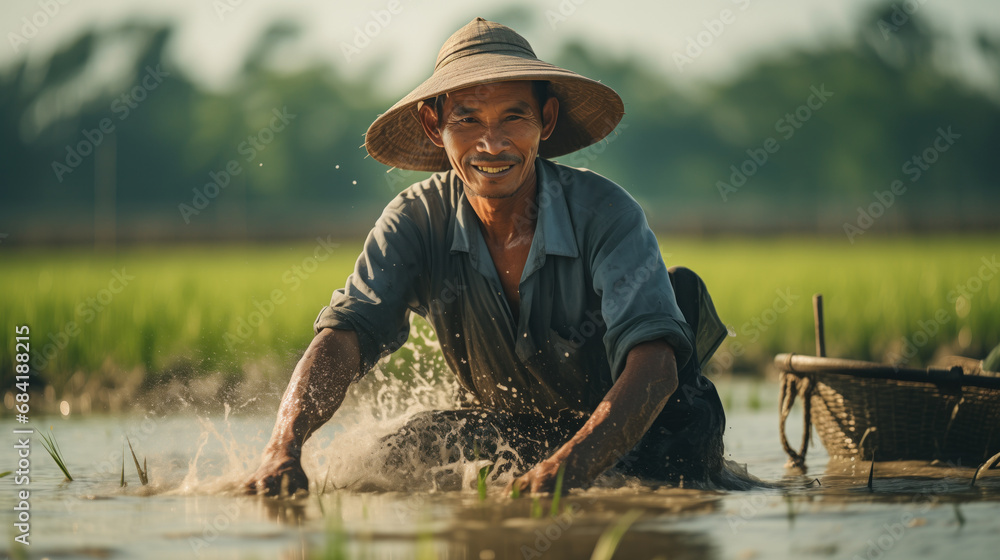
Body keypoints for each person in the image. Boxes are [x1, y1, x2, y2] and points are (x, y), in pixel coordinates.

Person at [244, 17, 733, 497]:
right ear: (435, 126)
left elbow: (655, 365)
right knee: (398, 454)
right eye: (468, 119)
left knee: (655, 486)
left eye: (513, 117)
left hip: (648, 431)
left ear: (547, 120)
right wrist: (283, 447)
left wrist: (572, 466)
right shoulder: (416, 220)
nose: (491, 145)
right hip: (518, 430)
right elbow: (346, 335)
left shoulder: (605, 213)